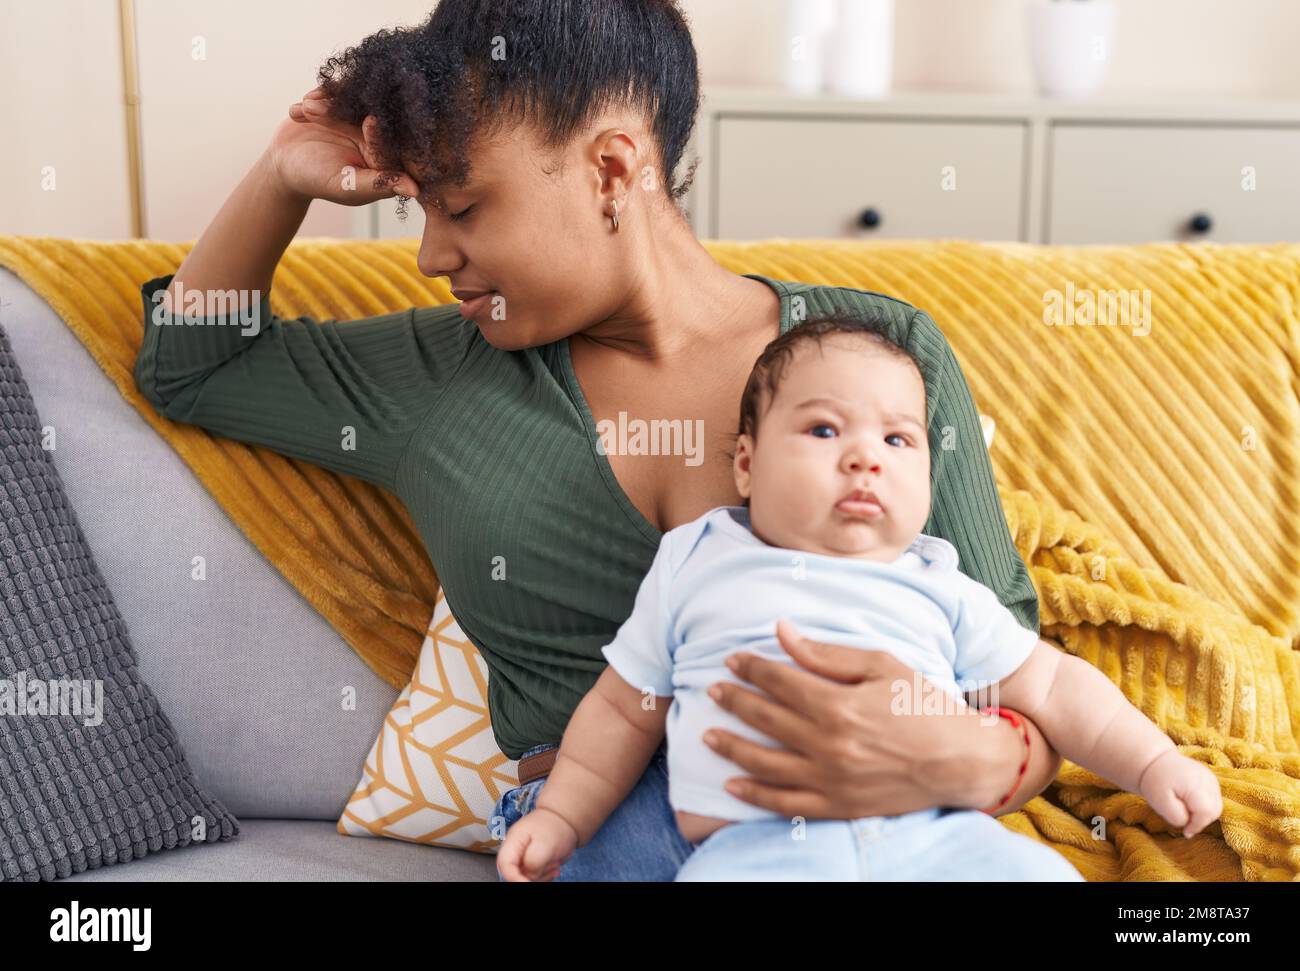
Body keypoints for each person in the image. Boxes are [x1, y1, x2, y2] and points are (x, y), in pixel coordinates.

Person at [133, 0, 1063, 881]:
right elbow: (192, 364)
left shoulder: (879, 360)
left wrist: (967, 757)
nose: (430, 254)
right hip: (607, 837)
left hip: (884, 826)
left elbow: (1015, 673)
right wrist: (280, 174)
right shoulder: (440, 374)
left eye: (461, 207)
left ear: (614, 171)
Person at [495, 315, 1221, 881]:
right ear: (746, 463)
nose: (865, 455)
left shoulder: (936, 583)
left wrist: (1155, 763)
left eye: (898, 439)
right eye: (822, 428)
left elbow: (1057, 683)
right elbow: (624, 706)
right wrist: (561, 816)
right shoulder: (699, 559)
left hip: (932, 837)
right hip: (751, 853)